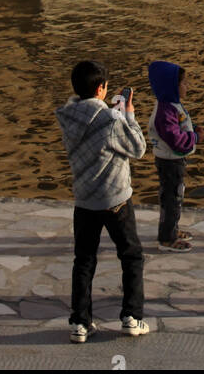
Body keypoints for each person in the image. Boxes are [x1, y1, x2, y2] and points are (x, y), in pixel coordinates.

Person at [56, 59, 149, 342]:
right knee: (131, 256)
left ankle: (80, 322)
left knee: (84, 260)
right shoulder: (111, 120)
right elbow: (138, 149)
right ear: (100, 89)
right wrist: (128, 116)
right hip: (115, 200)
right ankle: (131, 317)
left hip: (84, 200)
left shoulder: (68, 117)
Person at [148, 60, 201, 252]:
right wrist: (195, 137)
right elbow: (175, 139)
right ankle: (167, 239)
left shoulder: (171, 106)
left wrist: (193, 130)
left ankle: (172, 229)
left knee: (174, 196)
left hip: (174, 159)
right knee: (172, 199)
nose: (187, 86)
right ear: (172, 87)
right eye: (184, 83)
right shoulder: (165, 111)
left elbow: (180, 127)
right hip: (170, 162)